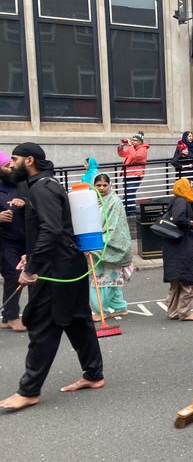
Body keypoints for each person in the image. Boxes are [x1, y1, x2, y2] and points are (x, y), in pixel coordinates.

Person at [0, 143, 104, 411]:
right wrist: (30, 254)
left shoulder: (41, 188)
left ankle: (29, 391)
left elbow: (51, 230)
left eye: (14, 159)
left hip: (56, 269)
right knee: (77, 320)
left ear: (29, 160)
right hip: (68, 264)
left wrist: (31, 267)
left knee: (42, 324)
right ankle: (93, 375)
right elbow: (50, 231)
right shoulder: (46, 184)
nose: (10, 165)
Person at [88, 173, 133, 320]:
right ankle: (120, 307)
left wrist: (98, 243)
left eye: (104, 185)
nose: (101, 188)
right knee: (112, 279)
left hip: (108, 244)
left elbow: (116, 227)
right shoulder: (92, 199)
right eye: (98, 185)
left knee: (104, 279)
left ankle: (101, 310)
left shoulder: (114, 201)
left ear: (110, 185)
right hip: (97, 243)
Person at [162, 178, 193, 321]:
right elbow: (180, 220)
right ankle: (185, 312)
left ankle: (173, 311)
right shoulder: (182, 201)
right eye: (191, 185)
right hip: (182, 248)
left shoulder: (176, 201)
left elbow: (181, 225)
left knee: (177, 281)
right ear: (184, 187)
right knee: (189, 279)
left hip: (175, 246)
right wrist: (192, 223)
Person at [0, 150, 26, 332]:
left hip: (25, 238)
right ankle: (11, 316)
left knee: (30, 277)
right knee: (13, 275)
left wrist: (24, 201)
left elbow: (34, 200)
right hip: (5, 241)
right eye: (5, 165)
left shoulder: (21, 182)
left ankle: (8, 315)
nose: (11, 167)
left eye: (11, 163)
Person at [117, 131, 149, 216]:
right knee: (128, 194)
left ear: (140, 141)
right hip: (127, 175)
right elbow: (122, 154)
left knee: (129, 193)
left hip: (135, 175)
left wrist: (130, 145)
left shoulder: (142, 149)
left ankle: (132, 213)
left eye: (135, 140)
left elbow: (137, 157)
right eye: (132, 140)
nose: (133, 141)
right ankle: (127, 211)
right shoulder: (133, 148)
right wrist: (121, 146)